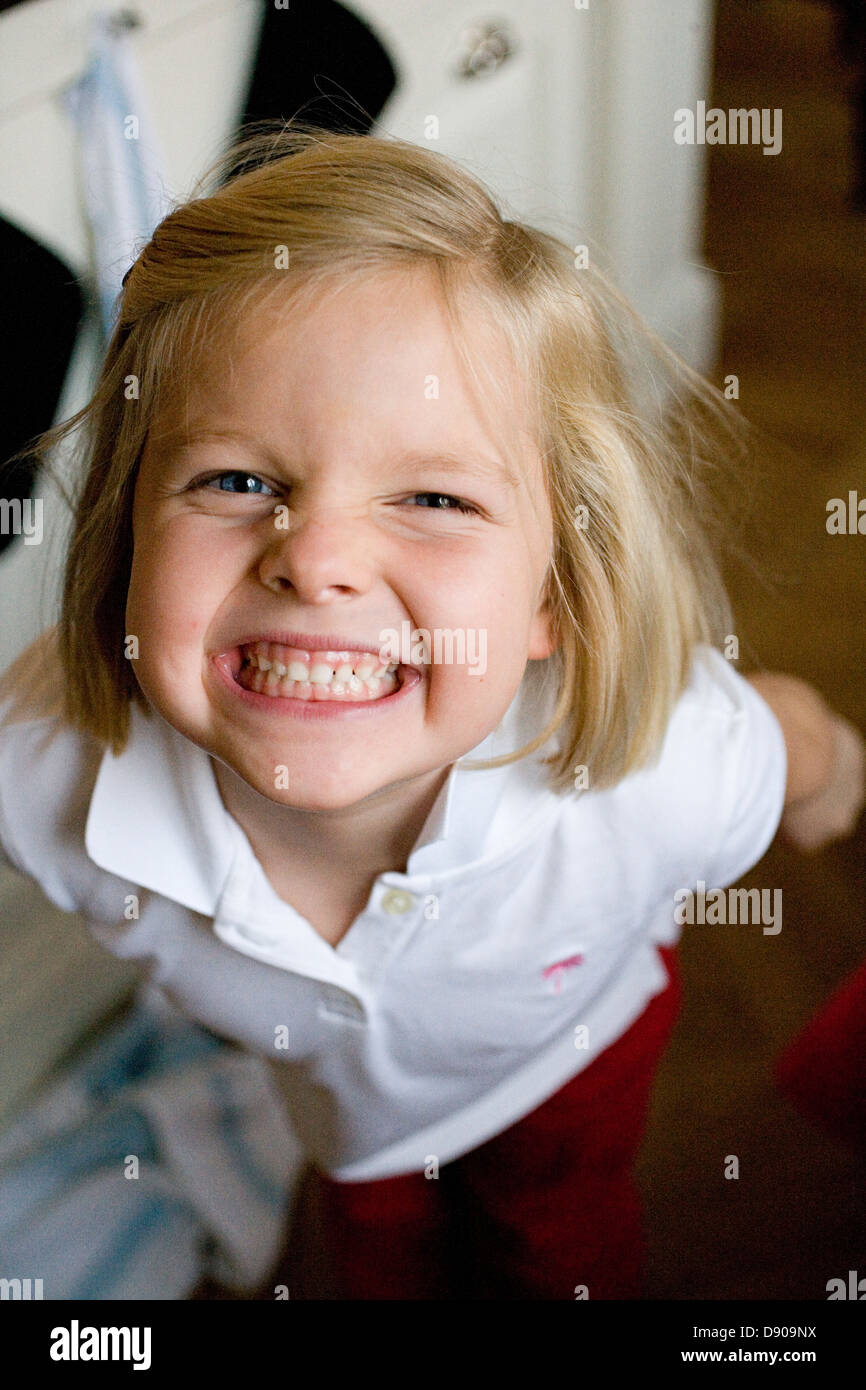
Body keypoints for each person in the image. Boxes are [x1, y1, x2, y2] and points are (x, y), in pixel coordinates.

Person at [1, 125, 863, 1300]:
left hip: (568, 1064)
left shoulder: (670, 773)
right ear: (123, 544)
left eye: (430, 495)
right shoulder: (44, 779)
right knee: (377, 1256)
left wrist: (822, 777)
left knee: (554, 1241)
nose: (315, 560)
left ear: (553, 597)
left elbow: (779, 737)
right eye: (238, 481)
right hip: (339, 1115)